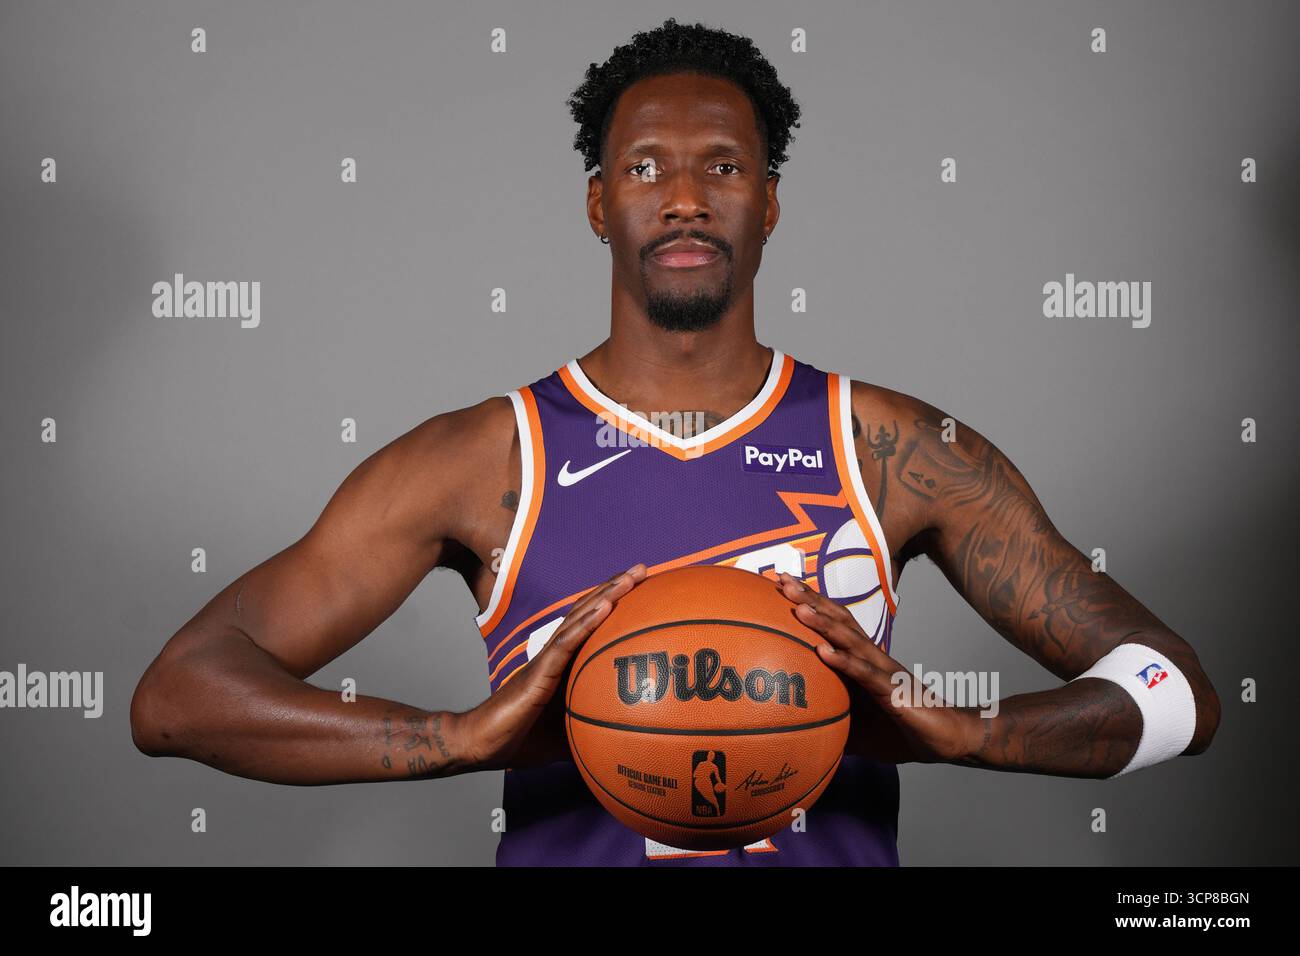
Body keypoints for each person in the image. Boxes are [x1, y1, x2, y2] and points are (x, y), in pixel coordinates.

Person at [131, 18, 1219, 866]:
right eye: (647, 168)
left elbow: (1180, 690)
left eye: (725, 167)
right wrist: (455, 738)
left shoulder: (894, 449)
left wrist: (970, 731)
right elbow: (179, 696)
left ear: (770, 203)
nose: (687, 198)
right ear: (598, 203)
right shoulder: (482, 460)